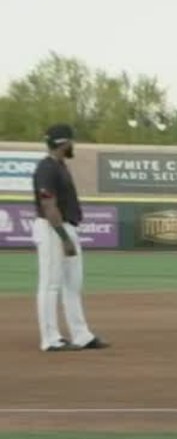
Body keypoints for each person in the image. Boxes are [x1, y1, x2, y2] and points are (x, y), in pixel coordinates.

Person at [32, 124, 107, 351]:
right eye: (71, 141)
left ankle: (81, 335)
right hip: (52, 229)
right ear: (63, 143)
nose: (73, 145)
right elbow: (48, 204)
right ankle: (50, 338)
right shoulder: (47, 169)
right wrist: (63, 237)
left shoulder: (60, 166)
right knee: (50, 284)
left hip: (66, 227)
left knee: (73, 285)